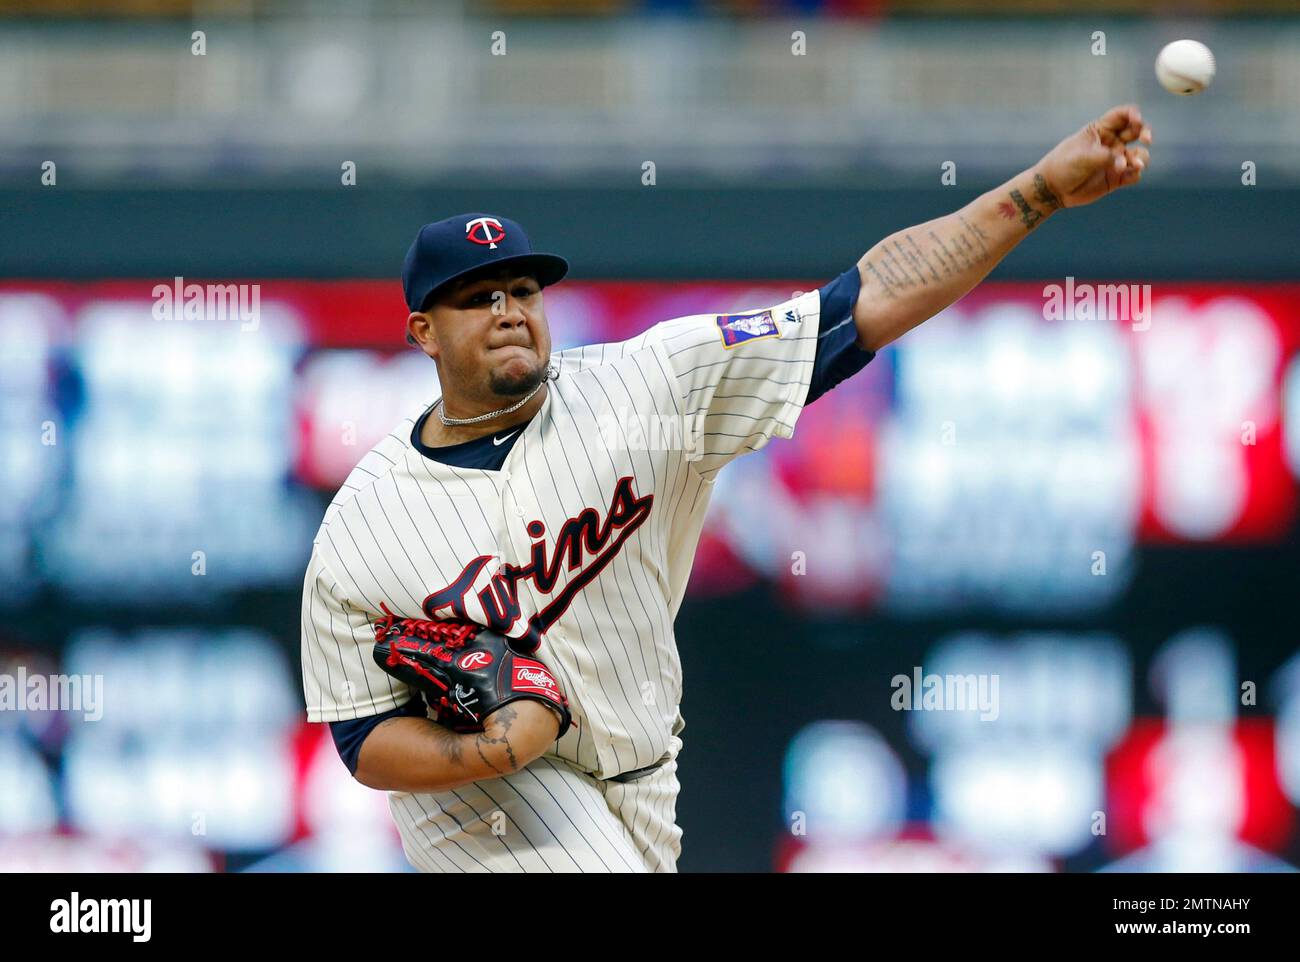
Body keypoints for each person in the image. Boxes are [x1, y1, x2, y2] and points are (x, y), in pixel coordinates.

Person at [300, 105, 1153, 872]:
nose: (510, 309)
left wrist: (1039, 191)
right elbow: (362, 736)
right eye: (475, 298)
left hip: (638, 778)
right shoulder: (367, 525)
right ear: (422, 332)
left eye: (523, 289)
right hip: (482, 806)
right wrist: (482, 755)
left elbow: (871, 297)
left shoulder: (649, 386)